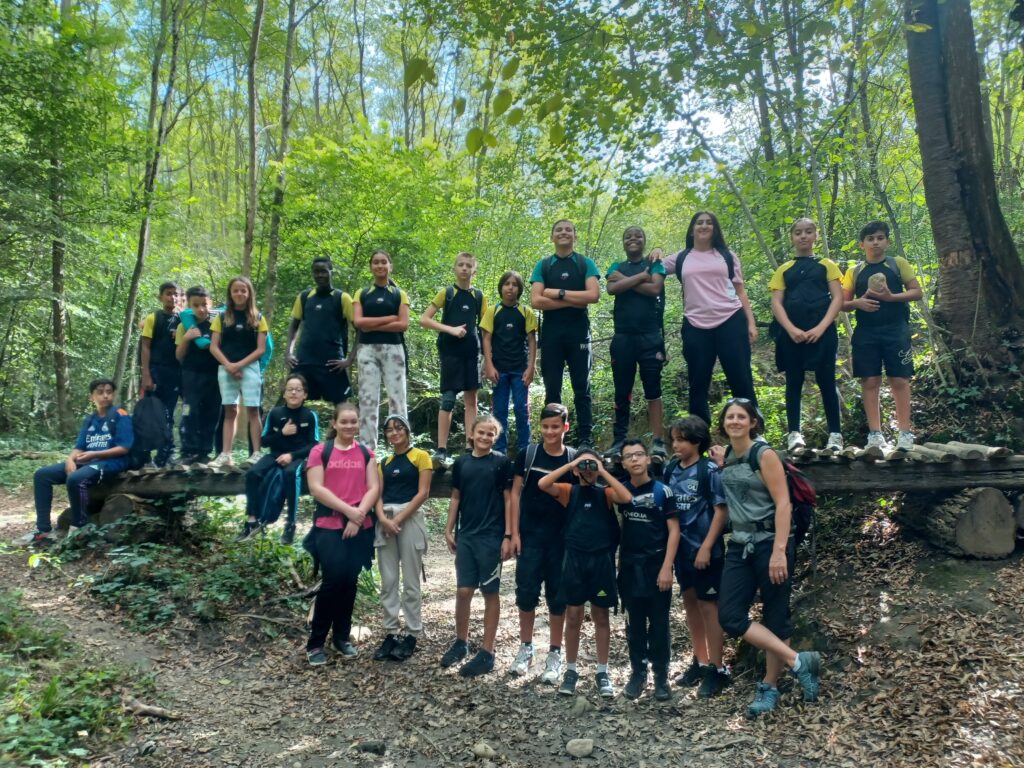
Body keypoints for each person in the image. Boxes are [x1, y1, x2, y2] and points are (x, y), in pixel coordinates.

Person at [716, 398, 821, 717]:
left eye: (741, 417)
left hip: (771, 543)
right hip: (740, 544)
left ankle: (769, 687)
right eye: (729, 416)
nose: (734, 421)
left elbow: (784, 504)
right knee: (730, 615)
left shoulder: (766, 454)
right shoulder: (730, 455)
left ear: (753, 423)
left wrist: (778, 551)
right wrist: (723, 459)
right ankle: (799, 661)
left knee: (775, 615)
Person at [537, 450, 631, 699]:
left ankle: (602, 671)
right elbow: (543, 483)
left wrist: (601, 470)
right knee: (574, 615)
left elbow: (626, 497)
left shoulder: (605, 493)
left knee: (601, 616)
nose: (587, 469)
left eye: (591, 464)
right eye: (584, 465)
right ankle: (570, 669)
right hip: (575, 560)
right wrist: (572, 465)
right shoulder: (570, 491)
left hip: (601, 560)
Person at [658, 211, 759, 425]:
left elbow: (740, 291)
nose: (704, 226)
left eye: (709, 223)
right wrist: (656, 251)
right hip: (695, 325)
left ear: (715, 229)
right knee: (698, 383)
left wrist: (751, 323)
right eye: (699, 222)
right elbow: (654, 268)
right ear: (692, 229)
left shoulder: (727, 256)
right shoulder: (682, 257)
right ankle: (698, 439)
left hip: (731, 321)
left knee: (741, 379)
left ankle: (752, 436)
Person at [15, 378, 134, 546]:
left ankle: (78, 528)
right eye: (100, 392)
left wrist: (93, 454)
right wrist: (70, 459)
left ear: (114, 395)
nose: (105, 395)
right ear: (91, 397)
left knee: (76, 478)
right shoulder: (90, 419)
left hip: (112, 462)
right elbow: (79, 446)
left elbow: (124, 447)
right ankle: (43, 530)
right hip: (88, 460)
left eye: (109, 392)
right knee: (42, 475)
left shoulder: (120, 415)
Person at [304, 402, 380, 665]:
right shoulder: (319, 452)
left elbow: (373, 488)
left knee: (350, 582)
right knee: (332, 581)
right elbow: (316, 488)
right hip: (329, 526)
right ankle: (315, 644)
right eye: (344, 421)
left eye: (353, 422)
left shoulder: (366, 452)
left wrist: (357, 519)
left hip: (360, 527)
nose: (349, 426)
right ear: (334, 424)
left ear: (359, 424)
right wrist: (350, 512)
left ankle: (342, 637)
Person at [440, 415, 513, 677]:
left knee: (490, 592)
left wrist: (507, 535)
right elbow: (456, 496)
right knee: (463, 591)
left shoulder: (502, 463)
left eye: (490, 434)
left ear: (496, 437)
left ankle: (487, 651)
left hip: (491, 537)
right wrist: (449, 529)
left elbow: (508, 500)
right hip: (467, 536)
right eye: (481, 433)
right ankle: (461, 642)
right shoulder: (462, 462)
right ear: (472, 434)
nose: (485, 437)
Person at [663, 416, 731, 699]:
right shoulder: (670, 470)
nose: (676, 445)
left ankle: (717, 667)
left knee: (709, 606)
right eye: (674, 439)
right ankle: (700, 661)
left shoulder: (709, 471)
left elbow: (721, 510)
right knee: (690, 602)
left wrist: (706, 546)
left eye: (681, 439)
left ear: (697, 441)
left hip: (706, 551)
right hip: (681, 551)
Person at [841, 221, 923, 451]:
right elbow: (843, 303)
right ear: (862, 244)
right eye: (870, 238)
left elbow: (917, 292)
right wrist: (858, 302)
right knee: (870, 380)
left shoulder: (898, 264)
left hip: (896, 329)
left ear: (887, 241)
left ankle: (905, 434)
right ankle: (875, 435)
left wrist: (891, 297)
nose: (875, 242)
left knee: (899, 379)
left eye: (879, 237)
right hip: (866, 332)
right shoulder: (854, 271)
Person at [508, 403, 575, 682]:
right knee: (526, 593)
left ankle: (555, 652)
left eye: (555, 426)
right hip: (530, 537)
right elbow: (514, 495)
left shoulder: (572, 457)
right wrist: (513, 533)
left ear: (565, 428)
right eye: (545, 426)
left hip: (562, 541)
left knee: (558, 597)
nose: (550, 431)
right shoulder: (529, 454)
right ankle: (526, 648)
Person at [769, 218, 845, 453]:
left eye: (808, 232)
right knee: (794, 382)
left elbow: (838, 298)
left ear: (816, 236)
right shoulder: (784, 269)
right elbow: (777, 303)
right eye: (798, 233)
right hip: (792, 335)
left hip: (822, 333)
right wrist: (791, 329)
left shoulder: (827, 265)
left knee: (826, 381)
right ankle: (794, 434)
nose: (803, 236)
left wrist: (821, 327)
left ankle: (835, 435)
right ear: (792, 238)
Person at [617, 439, 679, 701]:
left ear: (648, 458)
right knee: (635, 624)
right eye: (629, 456)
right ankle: (637, 673)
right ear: (623, 463)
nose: (635, 460)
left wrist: (667, 568)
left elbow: (674, 530)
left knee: (660, 623)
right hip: (630, 567)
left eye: (639, 454)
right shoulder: (620, 492)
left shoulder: (663, 491)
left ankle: (662, 677)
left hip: (657, 566)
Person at [529, 219, 601, 449]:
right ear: (552, 237)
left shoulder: (584, 263)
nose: (563, 233)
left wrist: (557, 293)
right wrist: (573, 301)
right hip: (552, 336)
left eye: (568, 230)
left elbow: (593, 296)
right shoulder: (544, 265)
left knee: (582, 387)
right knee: (552, 389)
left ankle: (585, 440)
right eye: (559, 230)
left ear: (575, 236)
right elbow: (536, 300)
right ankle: (553, 440)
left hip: (579, 334)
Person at [373, 414, 432, 662]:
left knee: (410, 581)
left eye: (399, 428)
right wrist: (384, 519)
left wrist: (398, 520)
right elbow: (376, 492)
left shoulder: (421, 456)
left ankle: (412, 633)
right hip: (385, 519)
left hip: (410, 518)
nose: (394, 433)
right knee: (388, 580)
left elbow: (423, 492)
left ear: (407, 431)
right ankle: (390, 632)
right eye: (389, 430)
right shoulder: (383, 462)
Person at [605, 227, 668, 462]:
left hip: (650, 336)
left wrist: (628, 281)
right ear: (623, 243)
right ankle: (619, 440)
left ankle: (658, 442)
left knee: (654, 390)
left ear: (644, 241)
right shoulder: (615, 266)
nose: (633, 239)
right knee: (622, 391)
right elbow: (612, 288)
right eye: (628, 236)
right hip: (623, 337)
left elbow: (655, 288)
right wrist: (641, 276)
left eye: (638, 236)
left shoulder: (656, 264)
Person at [420, 252, 487, 467]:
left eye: (469, 265)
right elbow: (424, 319)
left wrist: (487, 358)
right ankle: (441, 450)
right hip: (450, 352)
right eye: (461, 265)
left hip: (471, 352)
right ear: (455, 268)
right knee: (448, 399)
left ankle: (470, 447)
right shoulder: (447, 293)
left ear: (474, 271)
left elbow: (486, 329)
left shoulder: (479, 296)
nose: (465, 268)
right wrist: (450, 329)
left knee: (471, 401)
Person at [240, 373, 319, 544]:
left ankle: (290, 524)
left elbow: (314, 444)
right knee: (252, 474)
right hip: (275, 454)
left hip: (298, 457)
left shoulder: (309, 415)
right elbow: (264, 440)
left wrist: (292, 455)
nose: (293, 393)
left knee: (291, 474)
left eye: (298, 390)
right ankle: (251, 520)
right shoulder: (275, 413)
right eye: (290, 389)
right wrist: (281, 433)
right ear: (284, 393)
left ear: (304, 394)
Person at [209, 276, 268, 468]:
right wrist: (229, 365)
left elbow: (260, 349)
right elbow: (214, 347)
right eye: (236, 290)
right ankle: (226, 454)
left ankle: (257, 452)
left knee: (253, 409)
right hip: (226, 367)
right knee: (229, 410)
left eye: (243, 290)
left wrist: (239, 365)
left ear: (249, 293)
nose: (239, 294)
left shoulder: (258, 318)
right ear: (230, 293)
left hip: (250, 368)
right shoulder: (221, 317)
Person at [353, 250, 410, 448]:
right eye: (375, 262)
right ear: (371, 267)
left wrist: (371, 325)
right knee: (367, 399)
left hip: (393, 350)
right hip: (367, 350)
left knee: (398, 399)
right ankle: (367, 449)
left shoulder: (398, 294)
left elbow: (403, 324)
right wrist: (389, 319)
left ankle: (402, 448)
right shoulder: (362, 293)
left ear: (390, 266)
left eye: (383, 262)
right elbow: (358, 322)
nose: (379, 266)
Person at [286, 256, 357, 405]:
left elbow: (360, 330)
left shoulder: (342, 298)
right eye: (316, 272)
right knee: (294, 402)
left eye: (323, 271)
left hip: (332, 362)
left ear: (331, 272)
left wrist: (349, 359)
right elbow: (294, 326)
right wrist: (289, 352)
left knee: (342, 404)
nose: (320, 275)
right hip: (305, 360)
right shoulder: (305, 297)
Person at [481, 270, 537, 456]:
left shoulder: (526, 311)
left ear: (519, 289)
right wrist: (488, 365)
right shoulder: (493, 311)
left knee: (522, 409)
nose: (510, 288)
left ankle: (525, 450)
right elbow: (486, 339)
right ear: (501, 287)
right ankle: (499, 451)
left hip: (520, 369)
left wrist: (531, 366)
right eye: (507, 284)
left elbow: (532, 340)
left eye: (514, 285)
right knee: (499, 412)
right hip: (499, 369)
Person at [175, 286, 221, 464]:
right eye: (196, 305)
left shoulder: (217, 325)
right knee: (190, 411)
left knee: (211, 413)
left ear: (211, 303)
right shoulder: (183, 326)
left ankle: (204, 451)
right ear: (189, 305)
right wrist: (187, 338)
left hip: (214, 375)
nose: (201, 309)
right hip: (191, 375)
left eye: (204, 304)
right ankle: (188, 451)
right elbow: (179, 356)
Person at [139, 281, 181, 466]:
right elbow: (146, 346)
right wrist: (146, 374)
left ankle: (166, 455)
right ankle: (145, 456)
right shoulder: (153, 318)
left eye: (176, 294)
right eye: (168, 293)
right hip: (156, 370)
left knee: (168, 415)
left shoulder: (183, 319)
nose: (173, 297)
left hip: (175, 373)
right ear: (161, 296)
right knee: (151, 414)